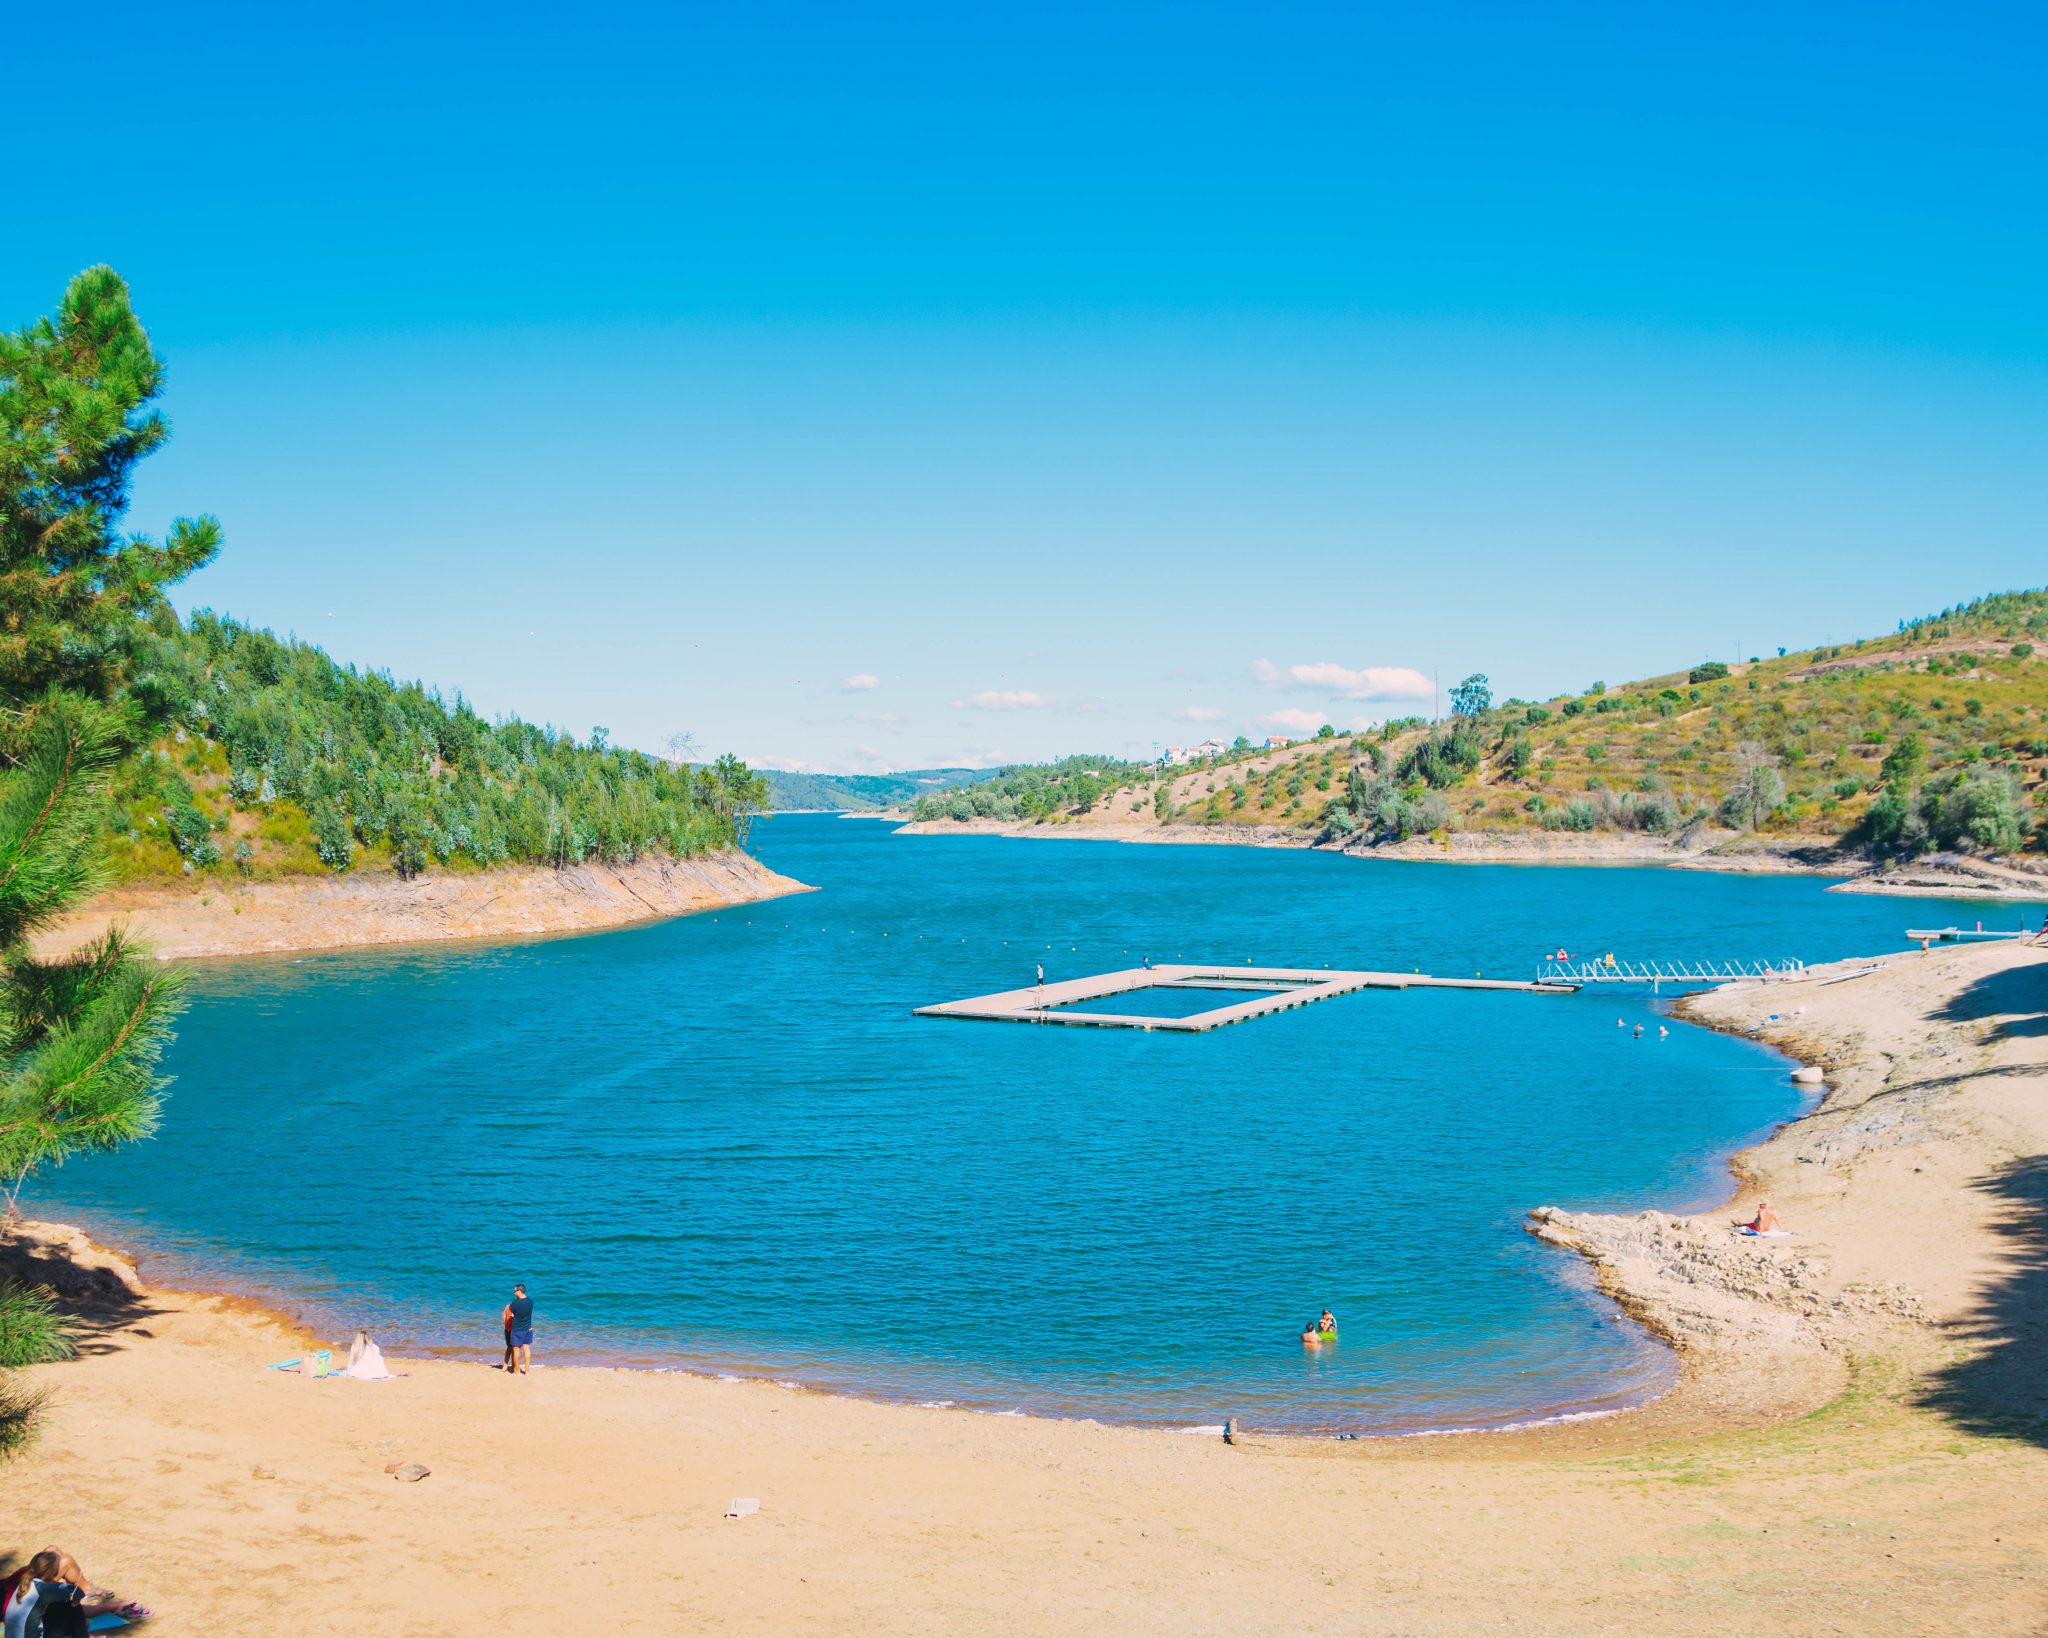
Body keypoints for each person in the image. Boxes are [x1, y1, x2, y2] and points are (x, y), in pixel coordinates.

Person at [2, 1550, 146, 1636]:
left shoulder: (23, 1581)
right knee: (70, 1605)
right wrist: (71, 1596)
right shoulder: (45, 1590)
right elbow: (79, 1594)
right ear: (50, 1572)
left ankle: (79, 1628)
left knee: (64, 1605)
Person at [505, 1283, 534, 1374]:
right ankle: (527, 1371)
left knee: (516, 1349)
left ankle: (517, 1371)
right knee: (527, 1348)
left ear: (519, 1291)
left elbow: (510, 1314)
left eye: (515, 1291)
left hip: (517, 1329)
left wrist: (513, 1314)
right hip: (528, 1328)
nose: (514, 1293)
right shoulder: (530, 1301)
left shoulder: (515, 1303)